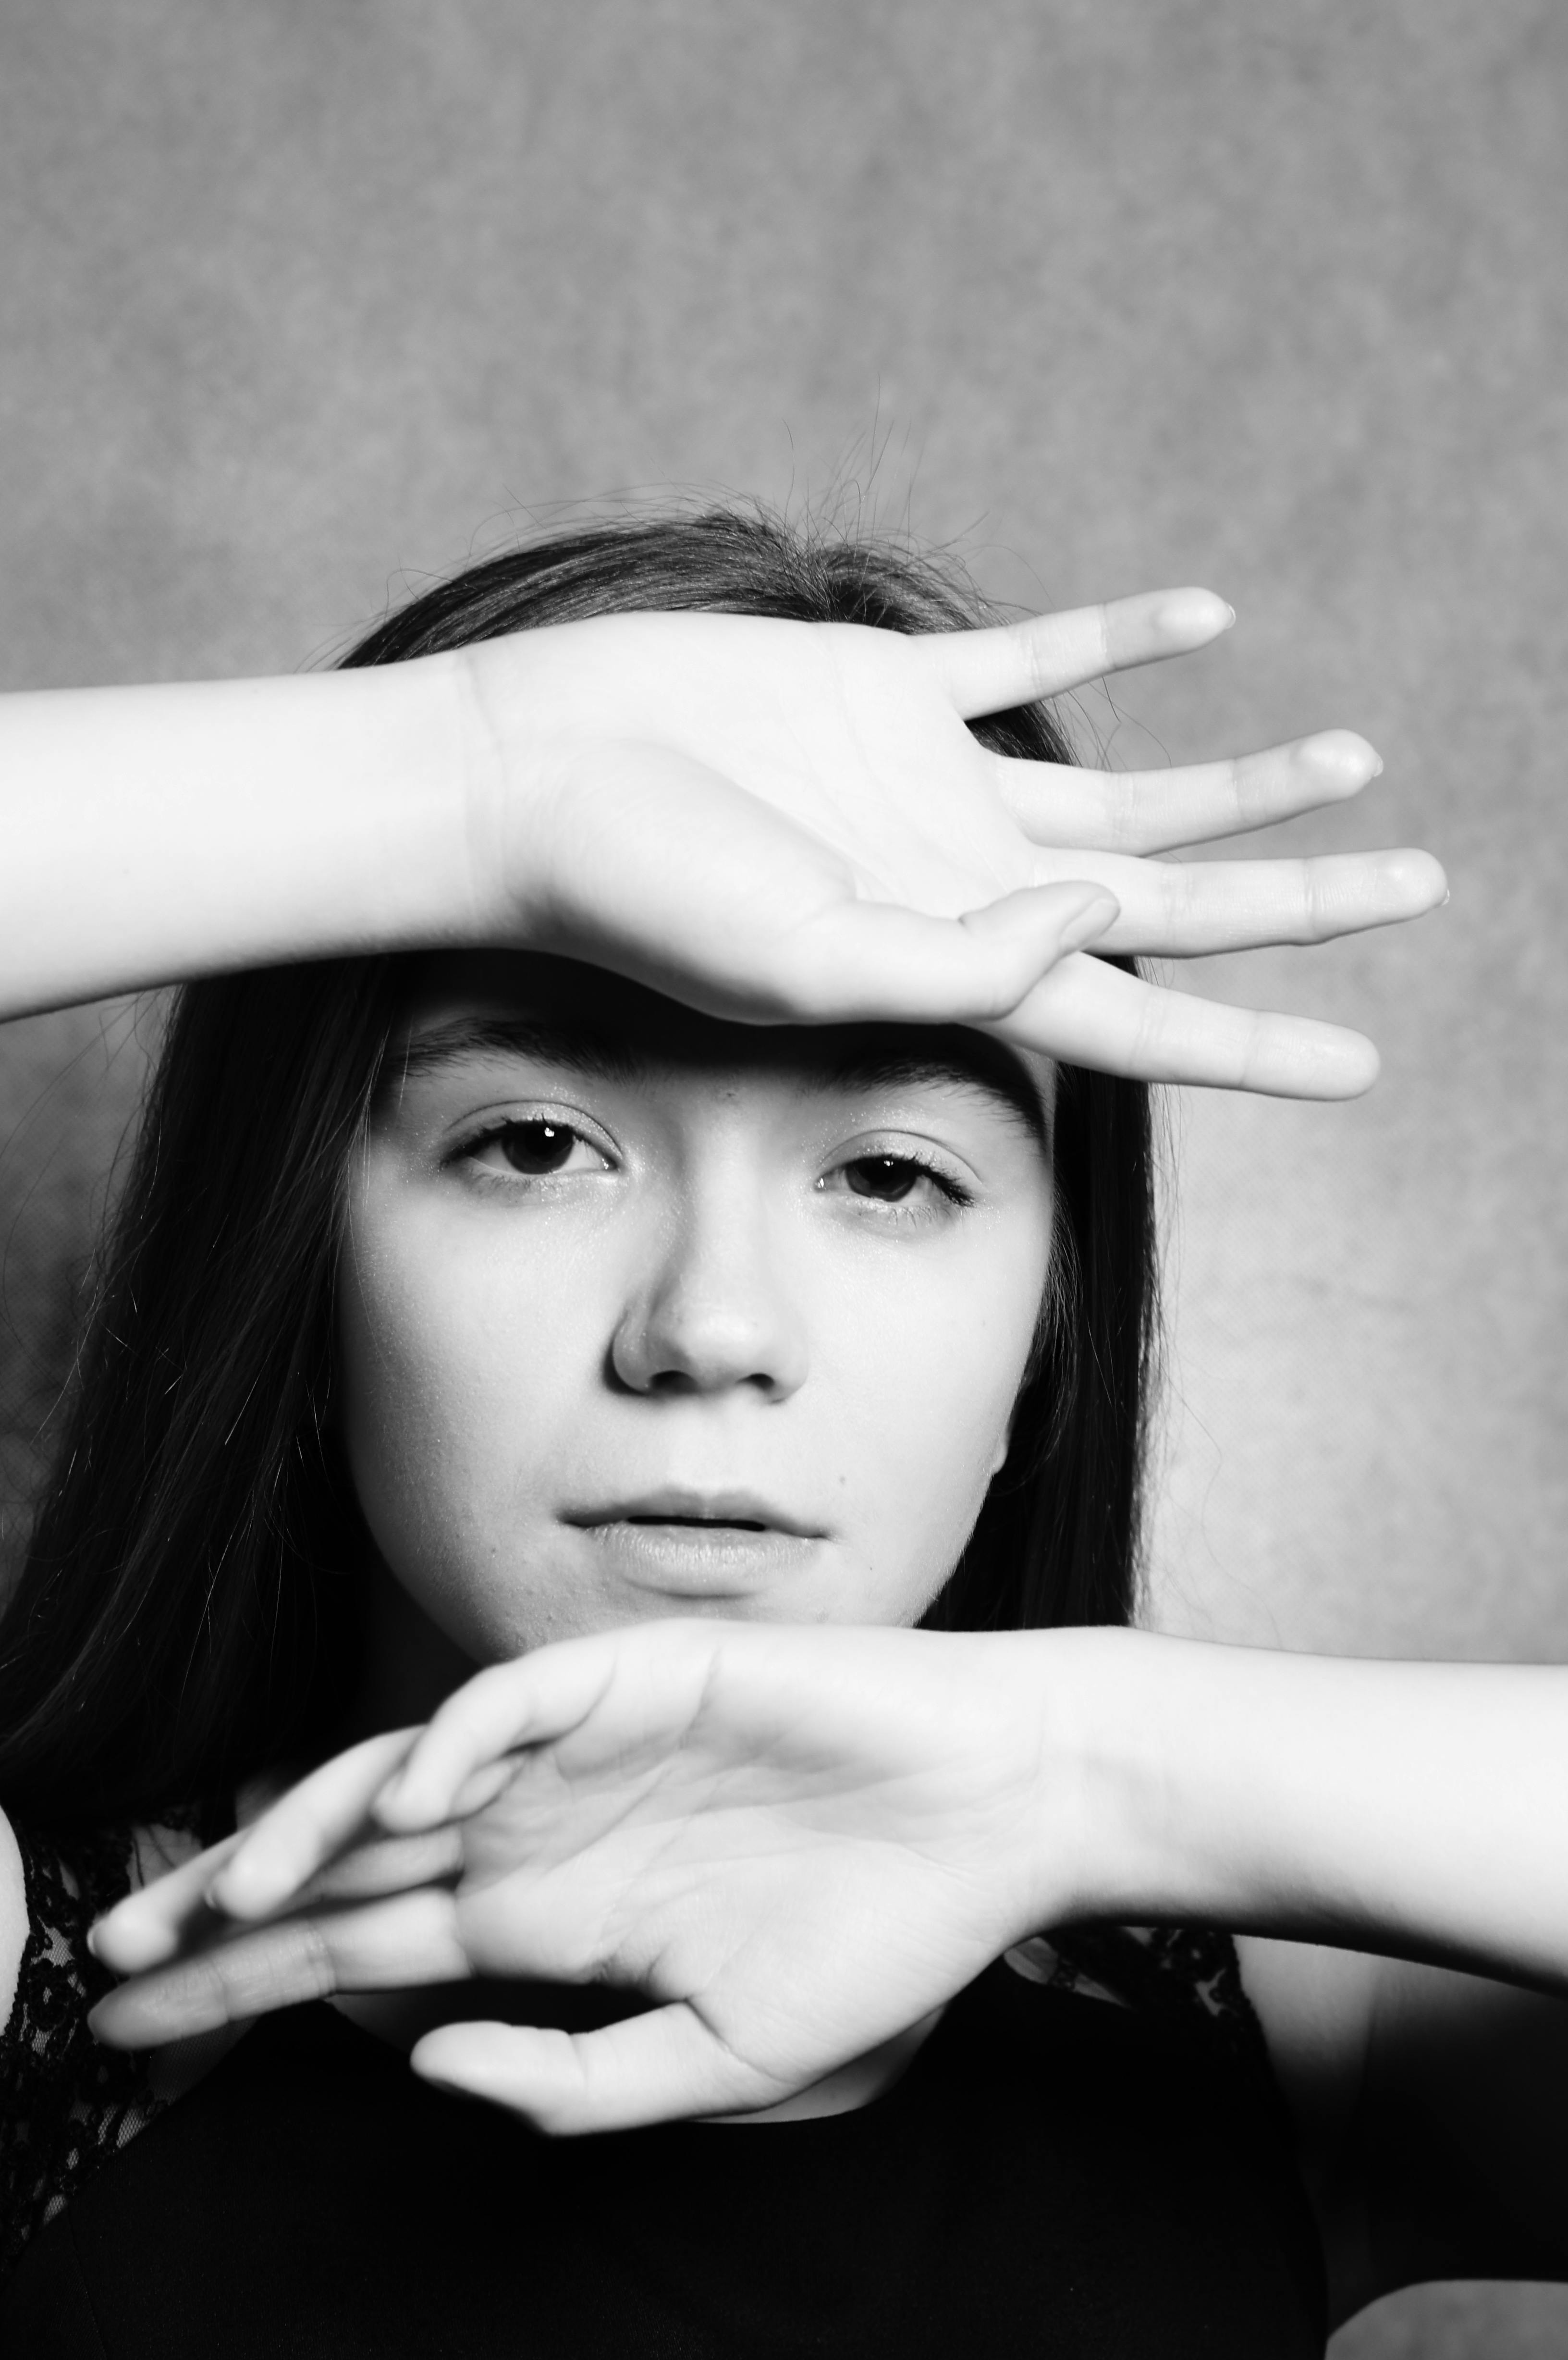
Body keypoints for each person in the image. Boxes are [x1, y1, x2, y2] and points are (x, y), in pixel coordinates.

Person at [3, 505, 1544, 2358]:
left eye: (890, 1175)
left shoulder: (1298, 2043)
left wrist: (1097, 1769)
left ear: (1046, 1341)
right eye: (535, 1144)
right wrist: (476, 779)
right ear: (297, 1264)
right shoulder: (58, 1996)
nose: (714, 1327)